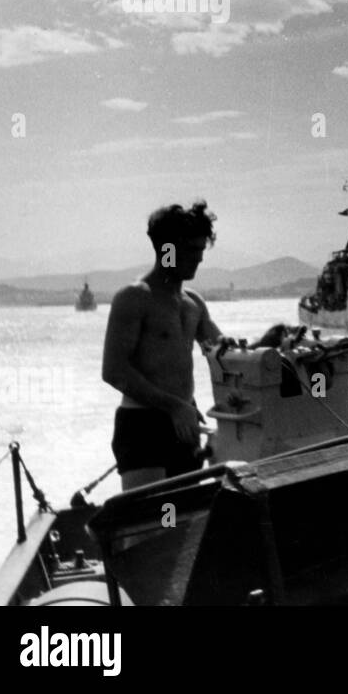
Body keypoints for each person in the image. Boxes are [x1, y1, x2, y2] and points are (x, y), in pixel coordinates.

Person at [101, 200, 232, 491]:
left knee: (179, 521)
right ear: (167, 250)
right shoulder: (135, 298)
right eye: (192, 250)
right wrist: (173, 406)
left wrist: (273, 341)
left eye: (201, 249)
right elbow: (113, 371)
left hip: (184, 424)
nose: (199, 259)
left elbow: (223, 352)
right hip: (144, 427)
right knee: (152, 525)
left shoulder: (193, 302)